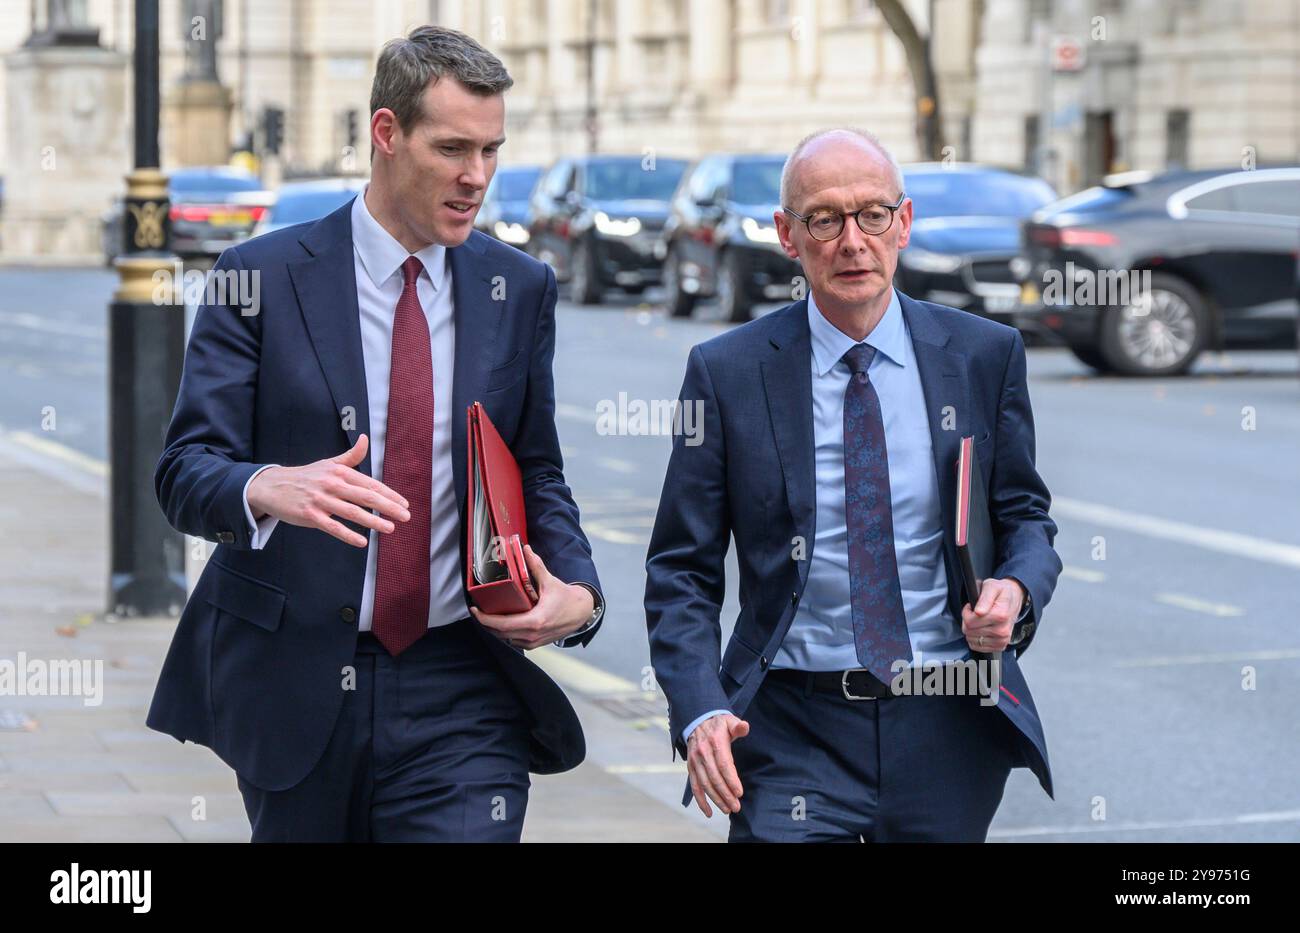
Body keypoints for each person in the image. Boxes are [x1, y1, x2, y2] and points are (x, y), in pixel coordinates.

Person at [148, 26, 604, 842]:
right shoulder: (259, 276)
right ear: (386, 134)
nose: (477, 178)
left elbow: (536, 469)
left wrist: (579, 593)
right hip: (298, 679)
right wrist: (265, 487)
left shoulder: (518, 287)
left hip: (460, 683)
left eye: (492, 151)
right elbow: (185, 470)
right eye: (454, 148)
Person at [644, 128, 1062, 842]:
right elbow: (682, 569)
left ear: (903, 223)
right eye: (824, 218)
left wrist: (1014, 591)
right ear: (787, 234)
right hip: (789, 730)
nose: (851, 241)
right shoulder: (728, 373)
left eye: (872, 214)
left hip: (947, 720)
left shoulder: (983, 355)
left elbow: (1025, 514)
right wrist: (699, 706)